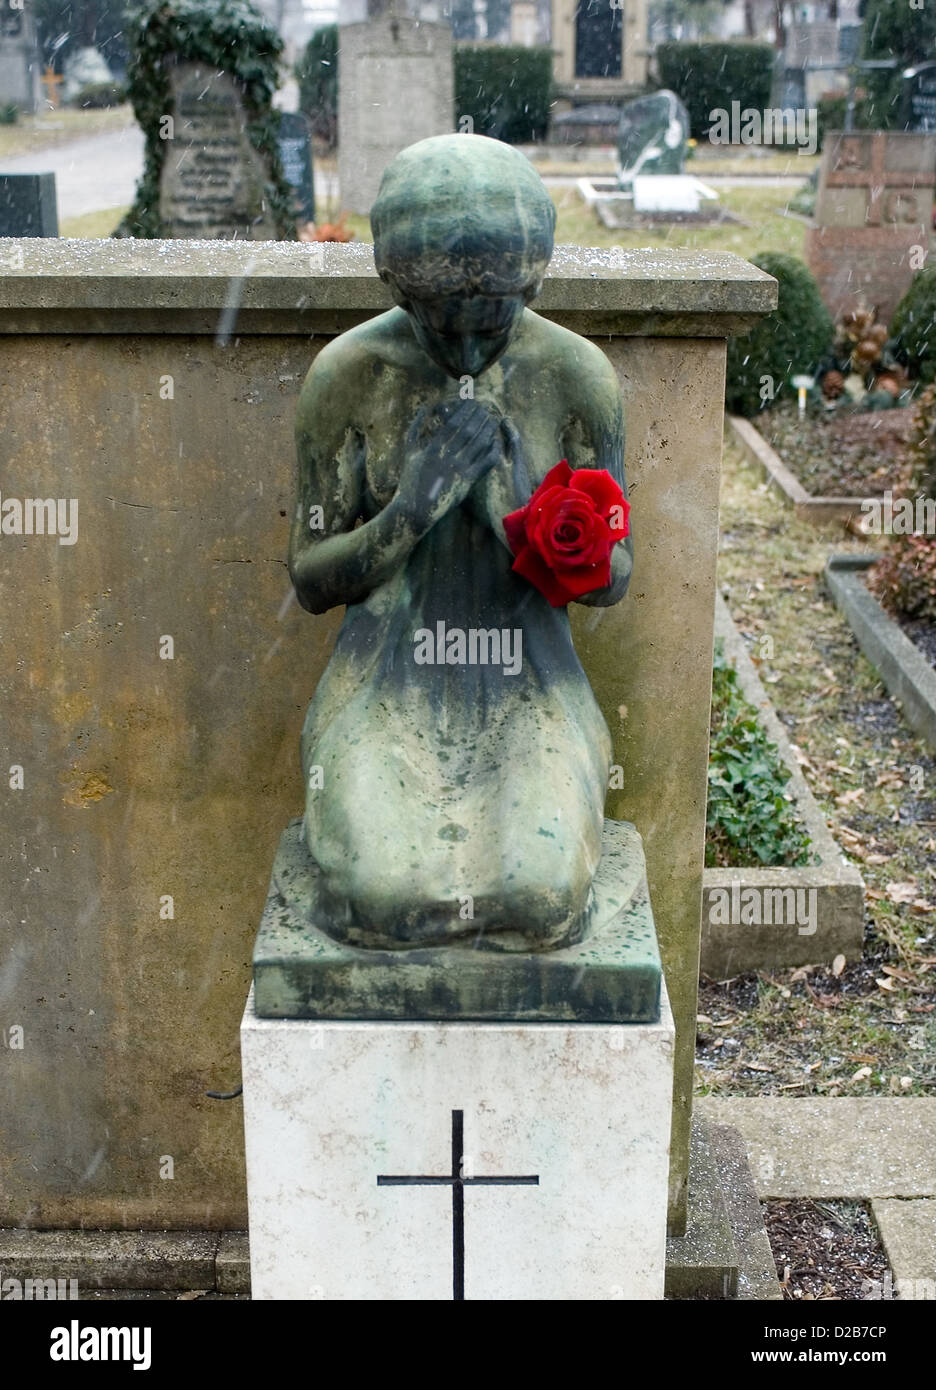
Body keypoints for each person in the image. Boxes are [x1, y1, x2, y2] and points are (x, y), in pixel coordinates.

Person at [287, 134, 631, 951]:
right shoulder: (348, 377)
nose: (470, 348)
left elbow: (614, 577)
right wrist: (411, 508)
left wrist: (510, 505)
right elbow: (309, 578)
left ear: (533, 282)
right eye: (443, 320)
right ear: (396, 285)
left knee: (540, 895)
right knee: (384, 895)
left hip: (529, 692)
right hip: (385, 692)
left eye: (493, 318)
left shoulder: (579, 379)